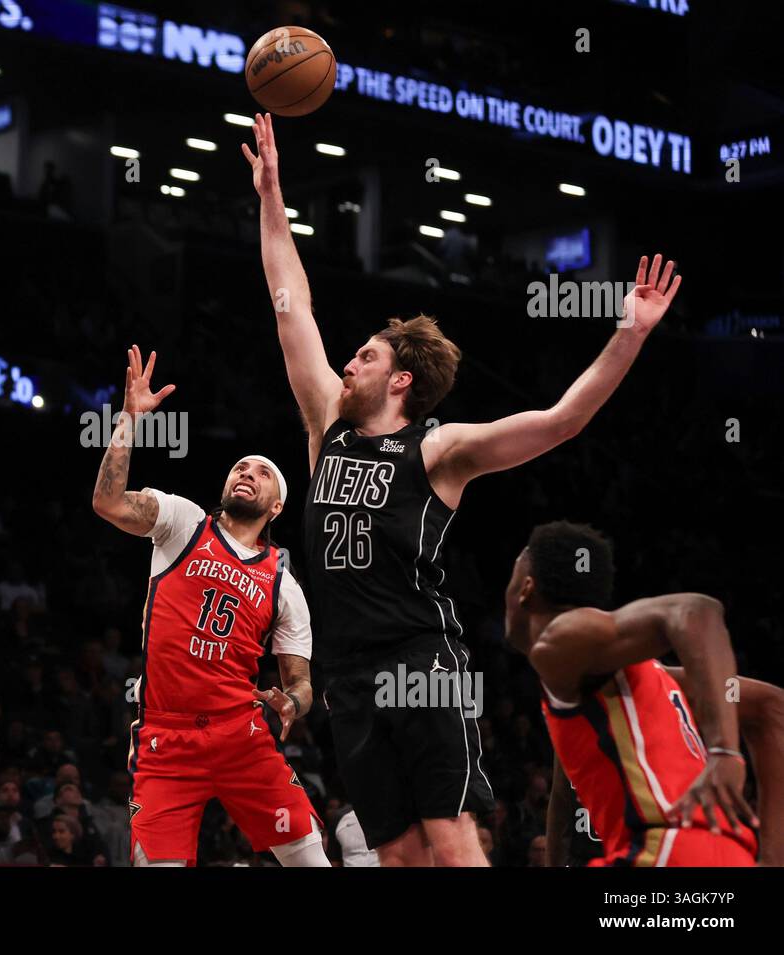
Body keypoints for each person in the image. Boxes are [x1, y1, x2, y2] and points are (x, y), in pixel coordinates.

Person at [243, 110, 684, 866]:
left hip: (420, 662)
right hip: (348, 673)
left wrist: (630, 333)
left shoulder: (438, 449)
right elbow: (291, 303)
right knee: (397, 855)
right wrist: (272, 196)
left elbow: (560, 422)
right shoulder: (328, 428)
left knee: (451, 841)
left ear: (401, 378)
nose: (347, 364)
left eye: (364, 356)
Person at [93, 345, 327, 867]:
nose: (246, 473)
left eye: (261, 473)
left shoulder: (284, 582)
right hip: (165, 737)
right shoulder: (183, 521)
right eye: (239, 467)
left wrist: (295, 703)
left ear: (277, 505)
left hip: (240, 734)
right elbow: (108, 503)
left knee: (311, 860)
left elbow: (301, 681)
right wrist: (130, 420)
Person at [504, 521, 784, 866]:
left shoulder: (556, 642)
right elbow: (772, 708)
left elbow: (695, 610)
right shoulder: (658, 679)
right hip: (727, 855)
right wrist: (772, 858)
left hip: (662, 850)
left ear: (526, 590)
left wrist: (724, 751)